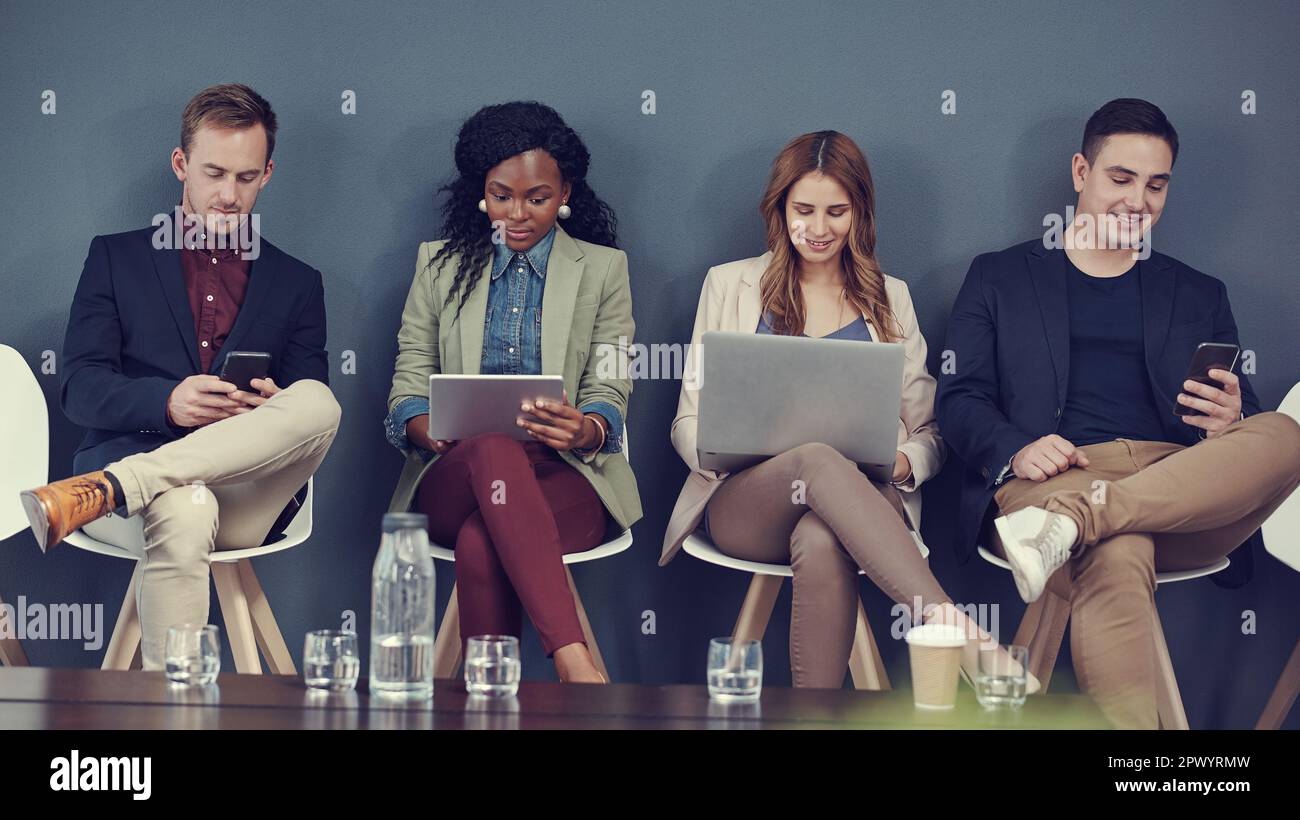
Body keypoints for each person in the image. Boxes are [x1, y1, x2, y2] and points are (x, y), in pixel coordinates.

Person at [937, 98, 1300, 728]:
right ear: (1081, 173)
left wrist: (1232, 422)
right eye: (1121, 178)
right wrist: (1016, 448)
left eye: (1156, 184)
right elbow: (959, 398)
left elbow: (1245, 434)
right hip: (1053, 478)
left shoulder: (1198, 292)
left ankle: (1079, 523)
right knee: (1120, 549)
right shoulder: (999, 277)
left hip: (1176, 489)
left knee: (1286, 434)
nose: (1139, 201)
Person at [663, 131, 1030, 689]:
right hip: (747, 502)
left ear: (860, 212)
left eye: (837, 211)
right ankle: (953, 625)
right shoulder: (730, 284)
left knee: (820, 535)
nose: (818, 228)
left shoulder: (891, 297)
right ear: (779, 209)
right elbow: (685, 421)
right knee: (813, 457)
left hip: (865, 499)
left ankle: (816, 715)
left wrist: (904, 463)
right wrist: (715, 446)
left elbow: (929, 431)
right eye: (802, 210)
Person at [20, 83, 341, 670]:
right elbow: (79, 387)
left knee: (318, 400)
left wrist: (272, 403)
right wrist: (169, 403)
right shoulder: (115, 258)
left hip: (244, 491)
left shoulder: (299, 282)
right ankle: (176, 711)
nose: (228, 195)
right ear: (181, 164)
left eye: (246, 177)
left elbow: (305, 413)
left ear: (268, 172)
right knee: (185, 507)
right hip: (153, 506)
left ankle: (118, 483)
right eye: (213, 173)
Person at [384, 101, 642, 684]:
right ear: (481, 191)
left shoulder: (602, 270)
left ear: (565, 191)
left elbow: (610, 382)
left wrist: (590, 426)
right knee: (494, 451)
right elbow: (408, 382)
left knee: (483, 541)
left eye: (538, 197)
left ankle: (488, 702)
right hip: (455, 471)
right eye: (502, 196)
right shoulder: (439, 266)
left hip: (565, 476)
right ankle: (576, 666)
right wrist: (425, 425)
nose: (518, 214)